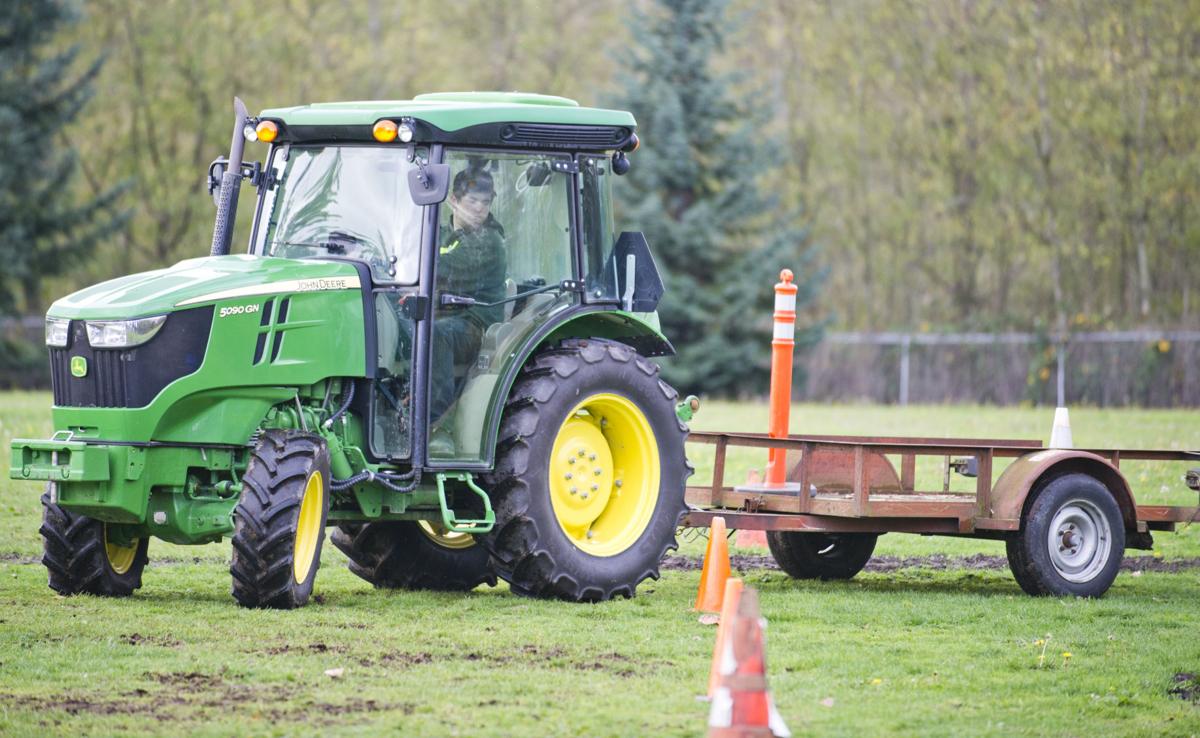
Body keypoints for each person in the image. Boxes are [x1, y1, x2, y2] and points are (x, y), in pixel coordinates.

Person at [428, 166, 507, 451]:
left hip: (477, 327)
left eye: (485, 202)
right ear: (453, 201)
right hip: (445, 317)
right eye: (472, 201)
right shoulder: (442, 235)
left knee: (438, 334)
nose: (479, 209)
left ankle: (436, 427)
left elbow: (440, 270)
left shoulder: (489, 241)